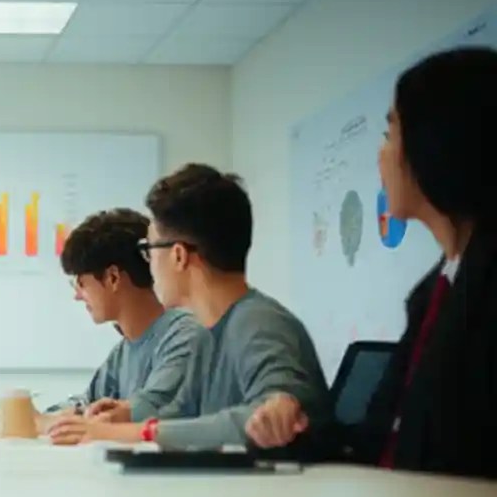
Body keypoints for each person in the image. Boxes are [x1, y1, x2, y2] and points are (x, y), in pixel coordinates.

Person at [248, 46, 497, 478]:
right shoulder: (433, 291)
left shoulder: (485, 284)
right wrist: (292, 429)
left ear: (435, 143)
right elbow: (375, 440)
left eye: (390, 135)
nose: (381, 157)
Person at [48, 164, 330, 449]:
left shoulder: (259, 322)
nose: (148, 264)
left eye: (150, 250)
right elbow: (183, 413)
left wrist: (132, 432)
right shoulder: (208, 332)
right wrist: (122, 418)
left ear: (179, 256)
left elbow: (274, 407)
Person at [0, 208, 208, 433]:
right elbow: (86, 404)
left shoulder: (184, 335)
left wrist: (45, 423)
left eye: (81, 283)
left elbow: (148, 411)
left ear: (112, 278)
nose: (77, 295)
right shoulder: (123, 352)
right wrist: (37, 416)